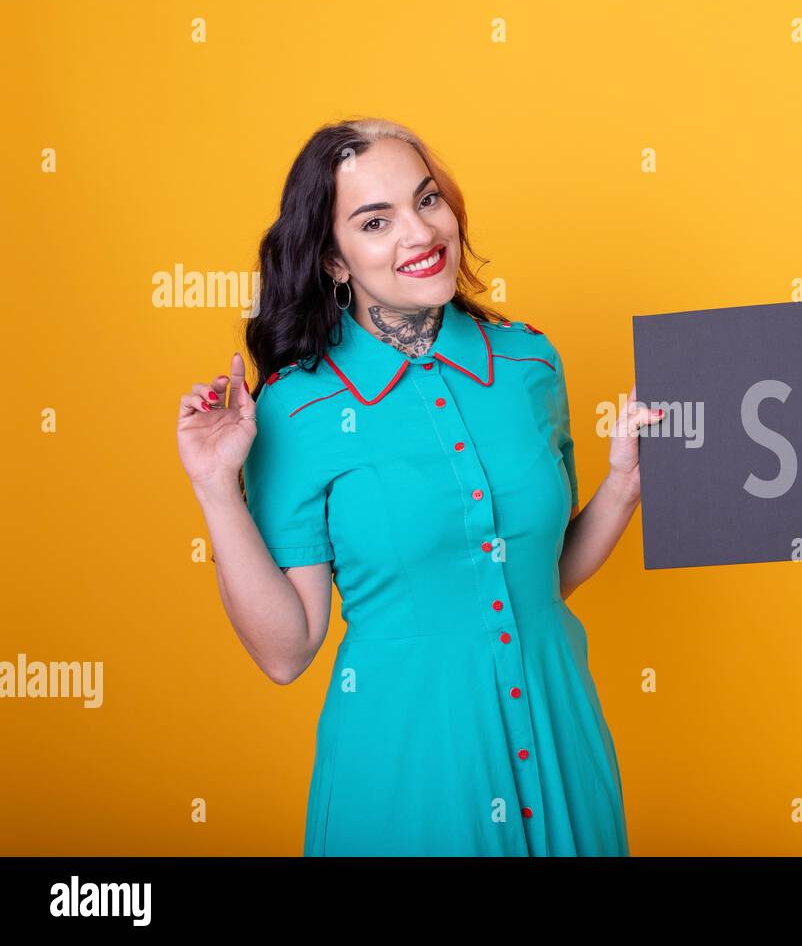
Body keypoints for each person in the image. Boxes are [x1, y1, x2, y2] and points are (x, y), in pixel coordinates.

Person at [176, 117, 664, 855]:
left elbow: (537, 575)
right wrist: (217, 487)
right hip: (408, 771)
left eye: (427, 200)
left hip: (563, 737)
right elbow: (287, 651)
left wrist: (623, 486)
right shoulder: (293, 409)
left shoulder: (531, 364)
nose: (419, 232)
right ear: (334, 261)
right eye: (376, 221)